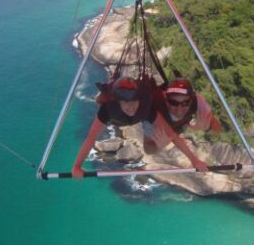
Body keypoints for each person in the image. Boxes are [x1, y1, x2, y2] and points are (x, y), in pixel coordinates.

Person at [71, 76, 209, 178]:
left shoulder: (145, 108)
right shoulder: (108, 110)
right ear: (119, 102)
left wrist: (194, 160)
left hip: (138, 117)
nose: (131, 106)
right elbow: (91, 138)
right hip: (117, 120)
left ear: (139, 100)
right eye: (126, 102)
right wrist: (77, 166)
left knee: (156, 142)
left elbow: (172, 135)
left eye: (134, 101)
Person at [143, 78, 221, 154]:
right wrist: (159, 146)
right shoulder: (155, 109)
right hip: (165, 127)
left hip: (179, 126)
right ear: (166, 99)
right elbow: (148, 149)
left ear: (191, 100)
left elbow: (217, 127)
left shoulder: (197, 101)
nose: (179, 109)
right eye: (174, 103)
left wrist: (207, 128)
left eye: (185, 103)